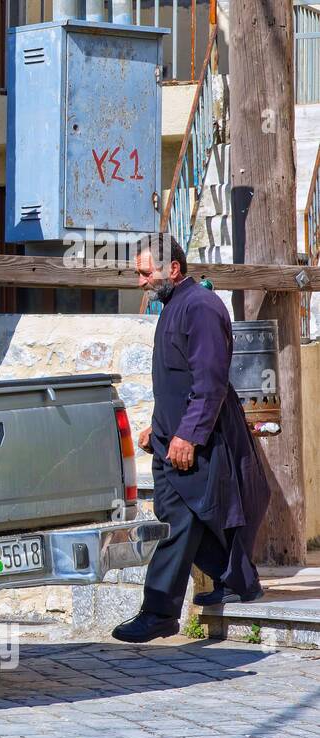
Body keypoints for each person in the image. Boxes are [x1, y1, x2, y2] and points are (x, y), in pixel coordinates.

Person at [111, 235, 270, 644]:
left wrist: (188, 435)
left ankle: (159, 611)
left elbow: (209, 382)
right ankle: (239, 582)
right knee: (188, 517)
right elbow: (175, 381)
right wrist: (157, 428)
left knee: (176, 522)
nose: (140, 282)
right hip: (172, 437)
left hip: (197, 439)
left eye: (146, 273)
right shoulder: (174, 307)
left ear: (173, 269)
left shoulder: (198, 306)